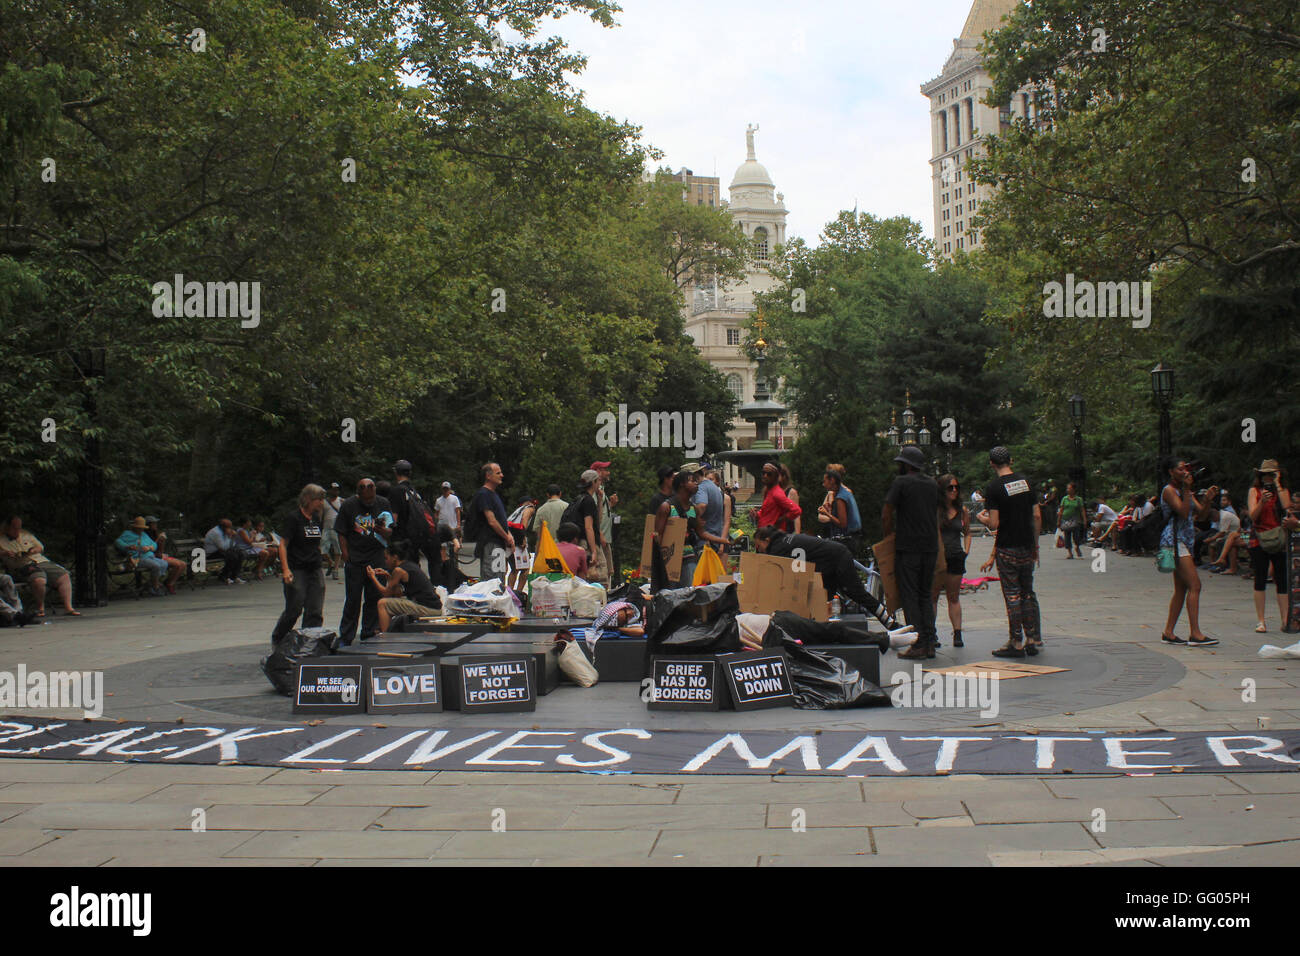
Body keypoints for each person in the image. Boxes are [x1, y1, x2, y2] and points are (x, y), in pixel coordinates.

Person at [755, 526, 914, 641]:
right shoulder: (784, 540)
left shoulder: (776, 547)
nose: (758, 550)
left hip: (837, 557)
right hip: (832, 558)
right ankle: (820, 631)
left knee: (856, 593)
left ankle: (891, 624)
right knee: (823, 597)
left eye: (758, 545)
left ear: (766, 540)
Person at [976, 446, 1043, 658]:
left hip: (1007, 547)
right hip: (1026, 546)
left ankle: (1016, 641)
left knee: (1012, 594)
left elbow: (994, 524)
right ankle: (1032, 637)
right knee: (1027, 591)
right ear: (1011, 461)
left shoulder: (994, 488)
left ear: (991, 464)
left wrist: (982, 519)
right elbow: (1037, 515)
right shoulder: (1025, 482)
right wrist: (1035, 544)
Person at [883, 445, 940, 660]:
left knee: (909, 596)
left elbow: (887, 512)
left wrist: (888, 537)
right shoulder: (932, 484)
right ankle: (930, 641)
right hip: (930, 547)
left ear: (906, 465)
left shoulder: (901, 483)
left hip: (908, 548)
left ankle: (918, 644)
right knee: (925, 594)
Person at [1156, 457, 1219, 646]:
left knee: (1181, 589)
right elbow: (1183, 513)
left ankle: (1169, 632)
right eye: (1180, 469)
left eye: (1186, 469)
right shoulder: (1169, 490)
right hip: (1174, 541)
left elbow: (1202, 515)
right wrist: (1185, 490)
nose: (1185, 472)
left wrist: (1207, 500)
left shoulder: (1186, 491)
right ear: (1171, 472)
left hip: (1185, 540)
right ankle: (1195, 634)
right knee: (1195, 585)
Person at [336, 478, 393, 644]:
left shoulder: (383, 503)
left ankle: (369, 632)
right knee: (353, 599)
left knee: (374, 597)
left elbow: (391, 531)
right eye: (365, 499)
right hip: (356, 557)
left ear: (375, 491)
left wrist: (384, 531)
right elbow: (341, 532)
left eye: (371, 498)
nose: (368, 502)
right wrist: (346, 554)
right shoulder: (348, 505)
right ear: (359, 494)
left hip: (376, 555)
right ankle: (347, 635)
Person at [270, 484, 327, 647]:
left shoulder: (316, 518)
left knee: (315, 608)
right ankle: (279, 637)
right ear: (308, 499)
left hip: (314, 567)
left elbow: (316, 542)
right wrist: (285, 569)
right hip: (297, 567)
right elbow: (283, 544)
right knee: (295, 607)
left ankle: (309, 642)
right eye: (319, 500)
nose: (321, 503)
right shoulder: (294, 518)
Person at [1247, 459, 1298, 633]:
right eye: (1265, 474)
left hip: (1279, 538)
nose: (1267, 478)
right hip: (1259, 538)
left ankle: (1285, 619)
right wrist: (1262, 501)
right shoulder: (1254, 491)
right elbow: (1253, 516)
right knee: (1260, 578)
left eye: (1272, 474)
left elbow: (1287, 507)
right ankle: (1261, 620)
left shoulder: (1282, 491)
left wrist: (1277, 484)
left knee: (1282, 579)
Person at [0, 516, 79, 617]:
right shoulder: (1, 539)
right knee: (39, 579)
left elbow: (40, 547)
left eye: (19, 528)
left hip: (39, 560)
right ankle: (40, 608)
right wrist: (5, 553)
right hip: (22, 565)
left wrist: (33, 550)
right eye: (14, 528)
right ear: (7, 527)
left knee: (63, 575)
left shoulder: (26, 534)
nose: (17, 531)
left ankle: (68, 607)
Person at [370, 540, 441, 632]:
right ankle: (390, 630)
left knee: (382, 604)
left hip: (428, 609)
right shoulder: (409, 566)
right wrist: (388, 576)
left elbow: (386, 594)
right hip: (433, 606)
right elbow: (396, 593)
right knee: (391, 602)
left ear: (395, 558)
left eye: (386, 558)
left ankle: (385, 637)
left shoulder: (399, 570)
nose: (385, 561)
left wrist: (372, 577)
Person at [934, 474, 971, 648]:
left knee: (953, 597)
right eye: (950, 488)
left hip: (956, 556)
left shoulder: (962, 511)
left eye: (957, 487)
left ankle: (957, 633)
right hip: (938, 557)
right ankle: (931, 633)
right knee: (933, 597)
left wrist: (967, 550)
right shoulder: (935, 510)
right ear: (942, 490)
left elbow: (968, 532)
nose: (954, 491)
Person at [654, 470, 701, 588]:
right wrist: (660, 558)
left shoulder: (694, 509)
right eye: (692, 480)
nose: (696, 483)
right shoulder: (667, 507)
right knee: (671, 595)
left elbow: (702, 532)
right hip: (670, 558)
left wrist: (722, 540)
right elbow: (658, 534)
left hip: (689, 557)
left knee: (689, 593)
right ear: (682, 484)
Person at [114, 516, 180, 596]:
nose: (141, 529)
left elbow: (154, 544)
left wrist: (151, 547)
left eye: (142, 528)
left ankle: (151, 584)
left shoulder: (144, 534)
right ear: (135, 527)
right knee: (156, 566)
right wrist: (128, 546)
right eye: (139, 528)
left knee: (164, 563)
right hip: (138, 558)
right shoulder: (127, 534)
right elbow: (117, 542)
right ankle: (155, 586)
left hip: (149, 556)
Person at [470, 462, 513, 583]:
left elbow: (500, 519)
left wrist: (509, 535)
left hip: (498, 543)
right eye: (498, 473)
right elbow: (492, 521)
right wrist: (506, 537)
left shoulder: (494, 495)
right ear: (488, 476)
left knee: (499, 577)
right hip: (490, 542)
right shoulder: (484, 494)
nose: (502, 475)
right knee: (491, 581)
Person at [570, 470, 606, 585]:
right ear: (594, 482)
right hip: (588, 543)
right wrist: (594, 551)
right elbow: (589, 527)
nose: (600, 483)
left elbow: (597, 522)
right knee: (600, 577)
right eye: (598, 480)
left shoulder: (579, 499)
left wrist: (600, 501)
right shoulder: (588, 501)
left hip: (579, 542)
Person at [817, 467, 862, 554]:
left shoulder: (840, 498)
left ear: (832, 480)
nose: (823, 484)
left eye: (824, 481)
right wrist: (830, 510)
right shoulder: (845, 492)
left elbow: (842, 524)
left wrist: (826, 513)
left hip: (847, 541)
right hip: (853, 538)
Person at [691, 463, 729, 555]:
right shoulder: (713, 487)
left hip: (704, 542)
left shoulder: (700, 487)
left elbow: (702, 505)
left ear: (694, 477)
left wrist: (690, 516)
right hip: (714, 538)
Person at [592, 461, 618, 586]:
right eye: (605, 469)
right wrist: (600, 532)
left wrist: (610, 505)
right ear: (598, 471)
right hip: (600, 537)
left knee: (607, 571)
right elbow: (592, 513)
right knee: (603, 572)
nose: (608, 472)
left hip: (604, 537)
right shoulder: (596, 491)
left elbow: (600, 510)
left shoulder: (601, 490)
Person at [755, 460, 801, 530]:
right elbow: (767, 514)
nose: (765, 476)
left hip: (772, 535)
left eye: (769, 474)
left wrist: (779, 521)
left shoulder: (777, 493)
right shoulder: (768, 491)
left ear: (776, 476)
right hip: (764, 533)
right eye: (763, 473)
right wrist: (757, 514)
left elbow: (796, 510)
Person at [144, 516, 187, 588]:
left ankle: (169, 583)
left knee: (183, 564)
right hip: (152, 557)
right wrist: (158, 540)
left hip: (159, 556)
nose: (156, 525)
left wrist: (162, 541)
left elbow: (160, 551)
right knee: (178, 565)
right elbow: (151, 548)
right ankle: (167, 584)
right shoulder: (144, 536)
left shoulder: (155, 534)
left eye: (156, 523)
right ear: (148, 525)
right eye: (154, 523)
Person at [1206, 492, 1243, 574]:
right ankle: (1231, 567)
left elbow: (1222, 533)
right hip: (1235, 537)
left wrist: (1212, 539)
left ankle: (1221, 563)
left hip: (1245, 536)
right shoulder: (1221, 516)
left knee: (1221, 542)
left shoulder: (1224, 516)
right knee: (1228, 542)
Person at [203, 519, 245, 584]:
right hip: (211, 553)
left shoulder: (224, 531)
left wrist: (233, 537)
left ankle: (234, 576)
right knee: (232, 556)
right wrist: (230, 536)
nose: (230, 529)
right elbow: (223, 547)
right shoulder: (216, 533)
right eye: (229, 527)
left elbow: (231, 546)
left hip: (221, 551)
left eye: (231, 527)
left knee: (240, 554)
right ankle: (224, 576)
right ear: (223, 527)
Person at [1057, 483, 1086, 558]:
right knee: (1067, 536)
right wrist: (1059, 521)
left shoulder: (1078, 499)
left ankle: (1077, 547)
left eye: (1069, 488)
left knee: (1076, 536)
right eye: (1067, 488)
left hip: (1075, 520)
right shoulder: (1064, 499)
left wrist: (1084, 519)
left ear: (1073, 489)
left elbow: (1082, 510)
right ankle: (1069, 552)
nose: (1068, 490)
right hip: (1065, 520)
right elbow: (1061, 510)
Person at [321, 483, 343, 579]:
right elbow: (321, 515)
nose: (335, 491)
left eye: (337, 490)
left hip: (337, 528)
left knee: (338, 550)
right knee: (322, 550)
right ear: (329, 490)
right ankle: (331, 563)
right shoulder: (324, 502)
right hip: (326, 528)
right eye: (333, 489)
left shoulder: (341, 501)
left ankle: (336, 570)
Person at [777, 463, 801, 533]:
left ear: (784, 476)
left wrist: (797, 534)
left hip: (787, 531)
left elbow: (796, 516)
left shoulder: (791, 492)